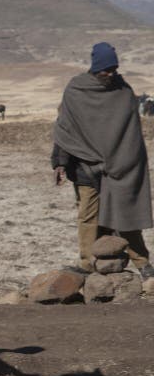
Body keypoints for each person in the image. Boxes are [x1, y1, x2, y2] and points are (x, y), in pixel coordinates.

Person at [52, 42, 154, 279]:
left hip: (120, 166)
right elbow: (65, 131)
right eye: (104, 70)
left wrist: (127, 162)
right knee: (88, 216)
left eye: (112, 69)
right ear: (95, 66)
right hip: (84, 167)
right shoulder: (76, 90)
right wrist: (59, 163)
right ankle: (88, 264)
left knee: (126, 215)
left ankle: (143, 263)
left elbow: (131, 134)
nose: (109, 75)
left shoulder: (122, 91)